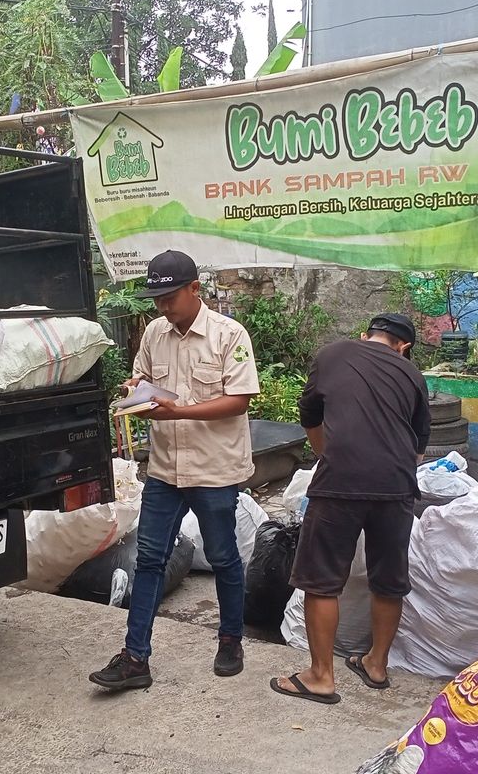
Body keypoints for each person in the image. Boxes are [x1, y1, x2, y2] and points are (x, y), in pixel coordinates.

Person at [90, 250, 260, 690]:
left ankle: (229, 639)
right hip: (165, 470)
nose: (163, 306)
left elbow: (239, 400)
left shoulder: (229, 334)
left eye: (170, 296)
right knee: (149, 559)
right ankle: (135, 658)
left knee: (224, 558)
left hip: (215, 470)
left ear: (194, 290)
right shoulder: (153, 334)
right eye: (157, 298)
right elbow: (144, 381)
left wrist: (177, 411)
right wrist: (135, 392)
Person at [272, 313, 430, 704]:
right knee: (389, 579)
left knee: (320, 579)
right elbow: (418, 447)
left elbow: (310, 415)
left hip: (340, 482)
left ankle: (321, 676)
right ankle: (376, 665)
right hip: (396, 487)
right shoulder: (412, 376)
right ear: (403, 346)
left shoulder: (332, 353)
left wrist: (328, 454)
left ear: (365, 335)